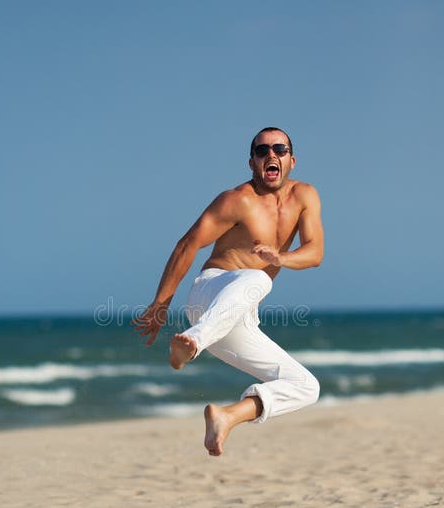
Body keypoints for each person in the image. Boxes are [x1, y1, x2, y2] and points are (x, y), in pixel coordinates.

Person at [132, 127, 324, 456]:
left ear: (292, 159)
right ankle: (191, 346)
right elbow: (187, 244)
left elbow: (315, 252)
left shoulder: (305, 196)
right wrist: (161, 303)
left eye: (279, 149)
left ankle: (227, 416)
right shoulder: (236, 200)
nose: (271, 155)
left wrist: (281, 258)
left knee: (307, 386)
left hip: (237, 313)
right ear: (252, 162)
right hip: (209, 295)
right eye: (262, 151)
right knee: (259, 279)